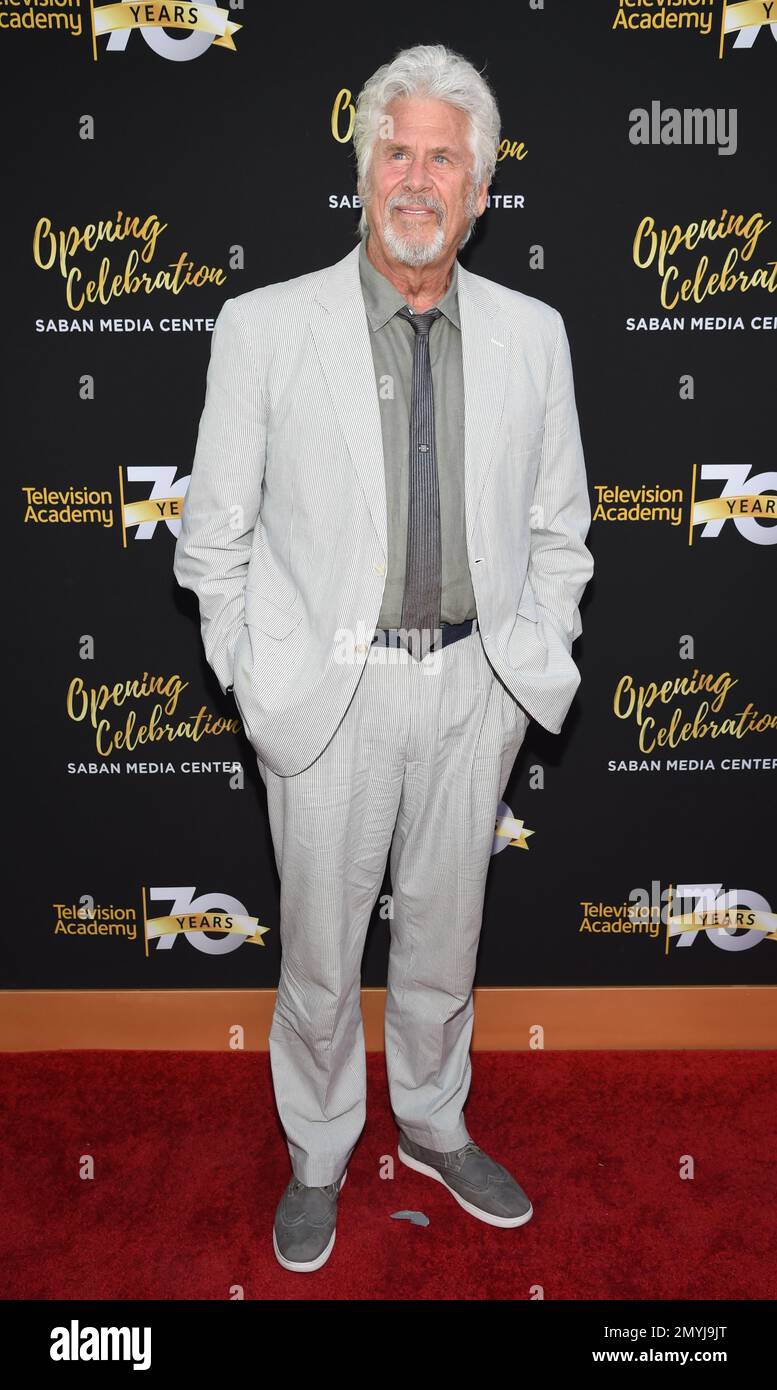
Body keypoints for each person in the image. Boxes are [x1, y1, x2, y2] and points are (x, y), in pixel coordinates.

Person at [173, 42, 594, 1273]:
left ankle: (433, 1119)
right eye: (397, 152)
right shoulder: (265, 327)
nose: (418, 178)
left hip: (473, 689)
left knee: (445, 942)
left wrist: (528, 665)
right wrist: (258, 679)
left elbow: (559, 529)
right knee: (316, 951)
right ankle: (316, 1151)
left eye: (443, 158)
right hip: (330, 697)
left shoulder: (536, 335)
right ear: (364, 174)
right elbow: (214, 540)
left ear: (479, 187)